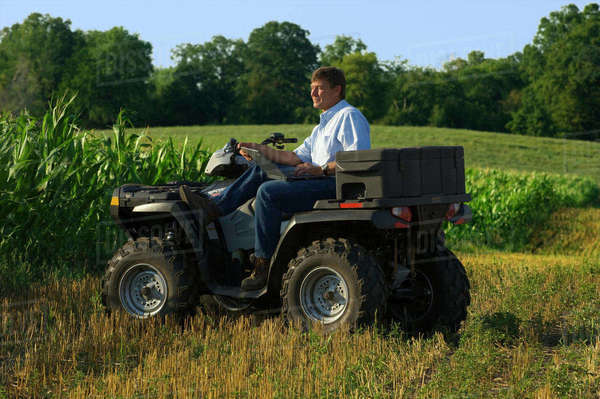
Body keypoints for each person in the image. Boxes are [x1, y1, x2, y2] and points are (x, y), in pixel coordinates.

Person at [180, 66, 370, 290]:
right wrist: (258, 150)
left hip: (333, 185)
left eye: (319, 89)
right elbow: (292, 157)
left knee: (268, 193)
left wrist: (320, 170)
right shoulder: (322, 126)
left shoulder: (349, 116)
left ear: (337, 90)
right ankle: (214, 208)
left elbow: (357, 159)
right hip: (316, 180)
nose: (313, 94)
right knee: (263, 168)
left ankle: (262, 267)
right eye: (312, 89)